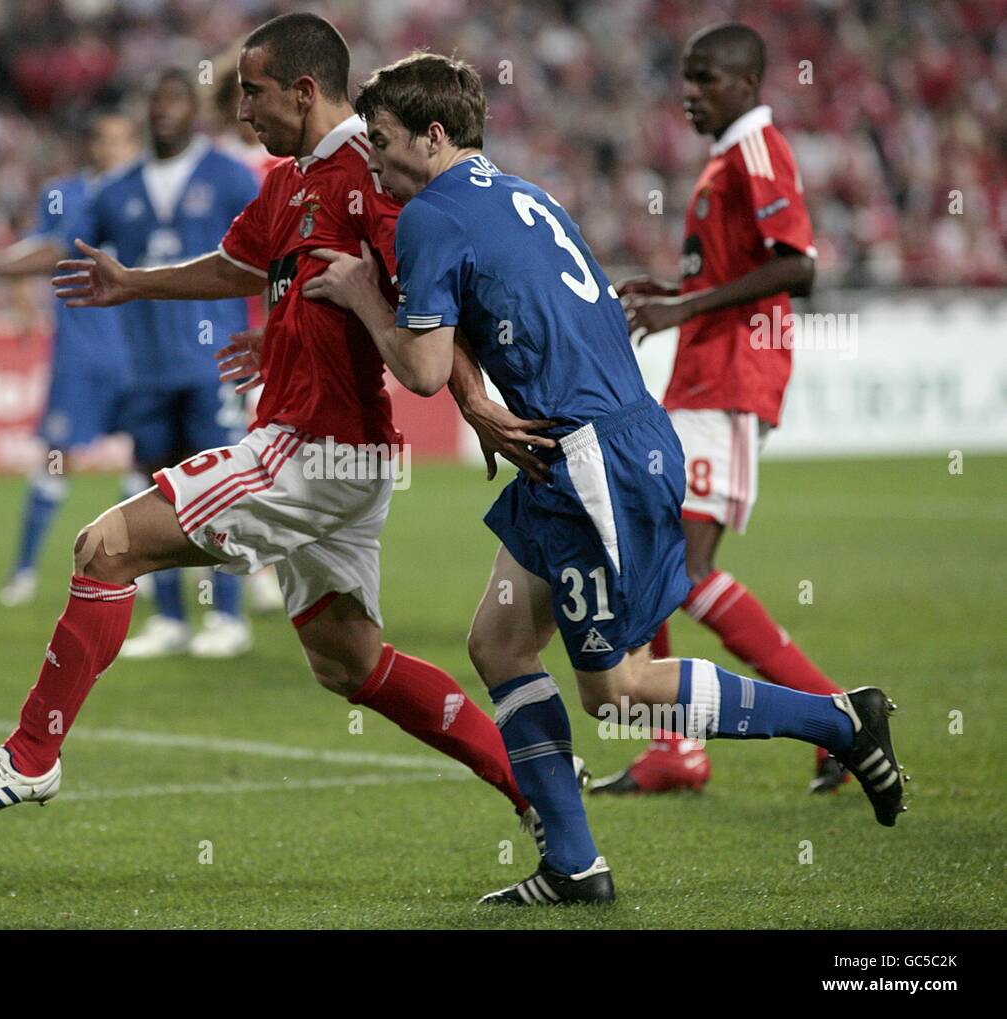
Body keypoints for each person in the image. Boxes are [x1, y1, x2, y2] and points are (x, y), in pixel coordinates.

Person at [300, 50, 906, 906]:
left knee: (616, 691)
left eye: (387, 142)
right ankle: (574, 865)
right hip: (589, 446)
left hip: (590, 462)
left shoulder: (432, 214)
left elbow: (428, 368)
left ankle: (838, 718)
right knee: (498, 644)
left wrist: (365, 293)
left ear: (433, 137)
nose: (374, 160)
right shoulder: (524, 194)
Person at [0, 15, 537, 847]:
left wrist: (475, 401)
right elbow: (240, 266)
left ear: (305, 90)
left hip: (310, 446)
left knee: (105, 547)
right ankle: (533, 785)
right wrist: (140, 283)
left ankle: (31, 755)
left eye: (253, 92)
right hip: (344, 456)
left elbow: (431, 298)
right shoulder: (290, 180)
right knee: (349, 662)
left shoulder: (371, 171)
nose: (241, 110)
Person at [595, 22, 848, 795]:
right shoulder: (725, 160)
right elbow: (742, 269)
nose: (689, 93)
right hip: (702, 377)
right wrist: (677, 299)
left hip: (734, 379)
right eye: (686, 78)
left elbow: (799, 267)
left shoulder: (758, 153)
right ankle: (674, 745)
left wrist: (688, 308)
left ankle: (835, 719)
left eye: (705, 79)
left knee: (687, 566)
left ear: (746, 84)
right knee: (650, 548)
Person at [79, 69, 262, 660]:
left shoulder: (232, 177)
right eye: (155, 98)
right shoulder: (115, 190)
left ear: (195, 110)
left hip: (213, 364)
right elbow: (61, 242)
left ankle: (227, 616)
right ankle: (171, 619)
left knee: (220, 494)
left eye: (175, 99)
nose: (163, 109)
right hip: (146, 367)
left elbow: (276, 255)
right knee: (149, 490)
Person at [0, 111, 139, 609]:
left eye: (118, 140)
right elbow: (40, 248)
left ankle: (141, 570)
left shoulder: (149, 195)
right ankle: (24, 570)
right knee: (55, 459)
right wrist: (10, 290)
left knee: (149, 464)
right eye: (100, 138)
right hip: (80, 352)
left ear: (135, 145)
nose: (107, 148)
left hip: (139, 354)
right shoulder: (64, 194)